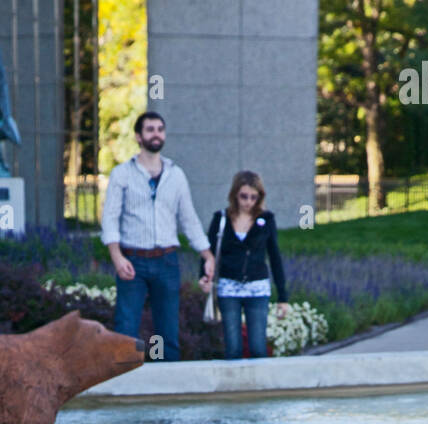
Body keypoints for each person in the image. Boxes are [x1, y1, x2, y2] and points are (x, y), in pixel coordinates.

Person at [101, 112, 213, 362]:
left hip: (166, 261)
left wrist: (206, 254)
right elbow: (110, 218)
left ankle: (165, 383)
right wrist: (117, 257)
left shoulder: (176, 175)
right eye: (150, 129)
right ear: (139, 137)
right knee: (127, 326)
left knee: (166, 328)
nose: (156, 134)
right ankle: (125, 383)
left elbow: (189, 219)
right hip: (133, 260)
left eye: (160, 129)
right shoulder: (122, 174)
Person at [200, 172, 288, 360]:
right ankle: (234, 388)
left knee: (257, 347)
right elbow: (209, 251)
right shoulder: (221, 219)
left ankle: (259, 388)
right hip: (228, 287)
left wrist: (283, 297)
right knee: (233, 348)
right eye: (244, 196)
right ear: (235, 195)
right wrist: (204, 276)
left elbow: (275, 257)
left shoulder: (266, 220)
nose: (248, 202)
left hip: (257, 288)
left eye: (253, 197)